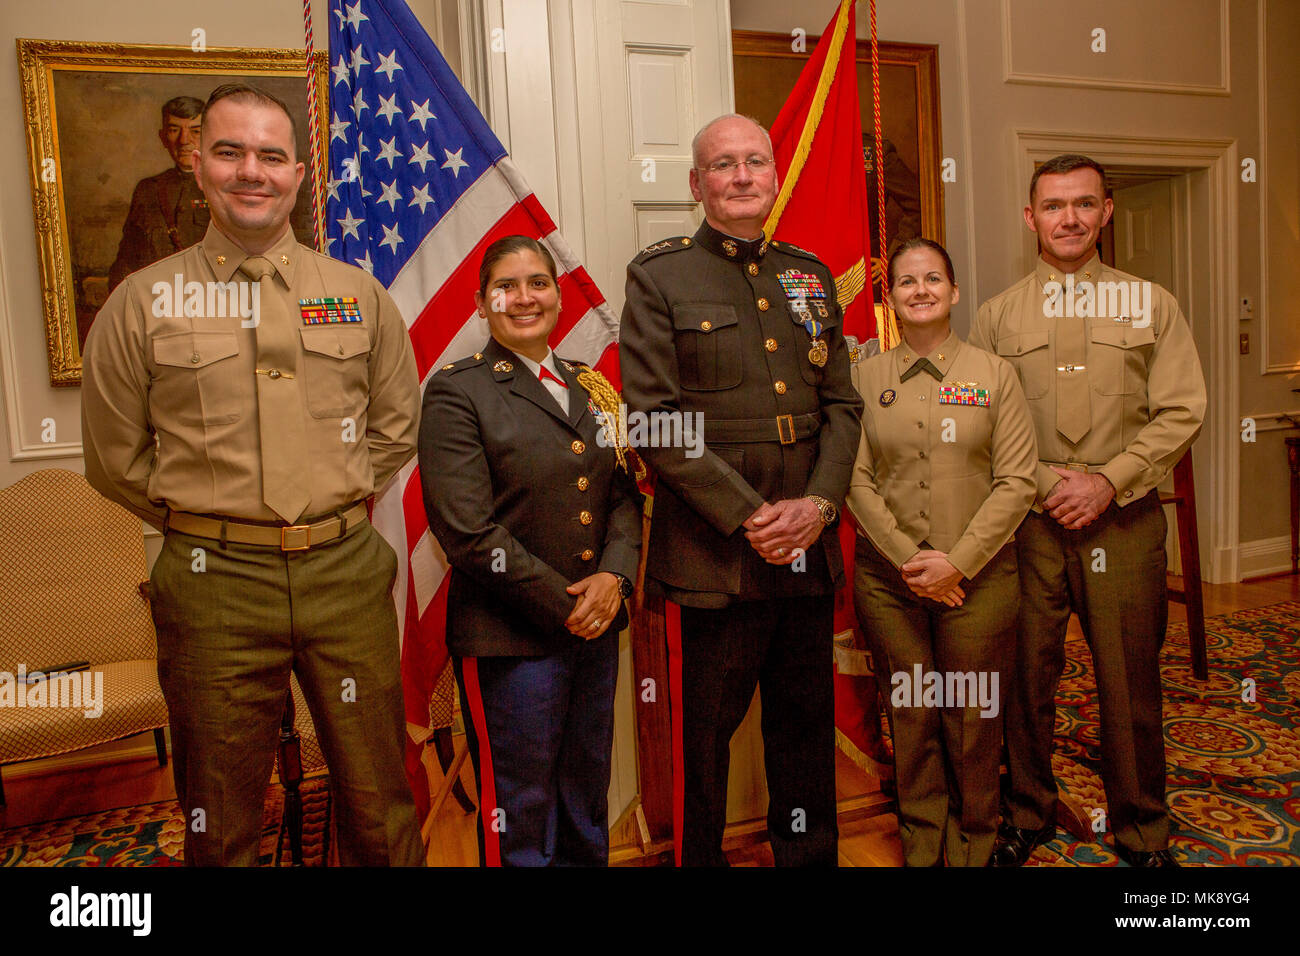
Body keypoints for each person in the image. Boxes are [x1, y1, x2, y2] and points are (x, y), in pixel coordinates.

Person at [81, 83, 424, 866]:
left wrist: (331, 492)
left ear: (299, 175)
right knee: (223, 818)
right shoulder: (142, 302)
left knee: (380, 808)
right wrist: (211, 515)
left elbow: (395, 427)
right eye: (231, 152)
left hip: (345, 573)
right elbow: (112, 457)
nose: (251, 171)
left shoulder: (357, 296)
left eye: (271, 155)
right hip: (214, 583)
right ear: (197, 165)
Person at [619, 114, 864, 866]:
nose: (741, 175)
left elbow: (843, 408)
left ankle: (805, 857)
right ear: (697, 185)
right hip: (714, 554)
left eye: (755, 160)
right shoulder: (659, 276)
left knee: (802, 725)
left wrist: (819, 507)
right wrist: (751, 514)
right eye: (722, 165)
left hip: (805, 548)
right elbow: (653, 423)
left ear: (774, 174)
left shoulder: (809, 274)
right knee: (703, 738)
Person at [970, 153, 1206, 868]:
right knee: (1025, 680)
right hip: (1029, 529)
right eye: (1052, 205)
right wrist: (1045, 485)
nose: (1067, 218)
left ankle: (1143, 831)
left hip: (1125, 522)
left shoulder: (1151, 304)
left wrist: (1109, 480)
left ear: (1106, 211)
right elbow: (981, 421)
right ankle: (1029, 812)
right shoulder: (996, 316)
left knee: (1128, 682)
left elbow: (1181, 410)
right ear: (1029, 217)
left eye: (1082, 204)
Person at [419, 235, 643, 867]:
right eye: (506, 286)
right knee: (520, 814)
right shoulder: (457, 392)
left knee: (584, 798)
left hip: (596, 632)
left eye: (538, 283)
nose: (524, 297)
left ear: (558, 294)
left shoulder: (590, 386)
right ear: (481, 304)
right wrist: (570, 603)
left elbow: (624, 493)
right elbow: (466, 530)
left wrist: (615, 579)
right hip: (510, 639)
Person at [846, 238, 1036, 866]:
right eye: (906, 281)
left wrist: (957, 563)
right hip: (888, 582)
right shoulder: (864, 378)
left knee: (974, 717)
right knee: (912, 712)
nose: (920, 290)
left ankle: (977, 845)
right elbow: (854, 480)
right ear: (891, 296)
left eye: (933, 279)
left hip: (978, 580)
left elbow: (1018, 482)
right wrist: (910, 561)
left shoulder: (995, 374)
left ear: (955, 292)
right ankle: (924, 845)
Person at [108, 96, 209, 291]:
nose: (184, 140)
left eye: (195, 131)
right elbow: (126, 261)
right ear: (163, 137)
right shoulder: (148, 190)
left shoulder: (227, 188)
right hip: (155, 304)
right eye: (174, 130)